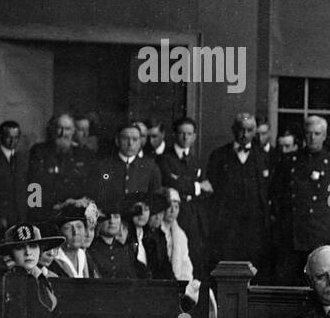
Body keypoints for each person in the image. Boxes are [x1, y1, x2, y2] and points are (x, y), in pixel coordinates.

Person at [269, 115, 330, 285]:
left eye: (317, 133)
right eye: (309, 133)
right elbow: (276, 197)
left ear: (325, 136)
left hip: (319, 237)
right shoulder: (289, 162)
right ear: (303, 135)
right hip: (291, 239)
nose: (312, 138)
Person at [206, 112, 270, 276]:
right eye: (241, 130)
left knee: (255, 270)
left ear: (255, 131)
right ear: (234, 130)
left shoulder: (265, 157)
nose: (245, 134)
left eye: (249, 130)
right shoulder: (219, 156)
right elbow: (211, 192)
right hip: (227, 226)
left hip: (256, 227)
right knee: (227, 270)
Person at [156, 116, 211, 277]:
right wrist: (196, 186)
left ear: (194, 136)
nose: (185, 137)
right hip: (174, 216)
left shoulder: (197, 161)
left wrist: (182, 183)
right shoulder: (165, 158)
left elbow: (208, 189)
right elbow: (170, 183)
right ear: (175, 135)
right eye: (181, 133)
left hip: (194, 217)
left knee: (193, 261)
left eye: (189, 134)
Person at [91, 123, 162, 215]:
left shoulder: (150, 167)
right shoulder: (103, 166)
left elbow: (156, 198)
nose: (130, 143)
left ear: (140, 142)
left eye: (135, 139)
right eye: (125, 138)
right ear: (117, 140)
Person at [27, 112, 89, 213]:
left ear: (73, 131)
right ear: (53, 130)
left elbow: (89, 186)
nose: (63, 133)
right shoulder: (39, 151)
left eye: (67, 129)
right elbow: (34, 185)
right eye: (59, 128)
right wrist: (37, 212)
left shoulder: (83, 154)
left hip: (75, 214)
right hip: (47, 212)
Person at [0, 120, 27, 242]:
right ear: (0, 137)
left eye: (16, 137)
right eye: (9, 137)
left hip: (19, 214)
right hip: (0, 216)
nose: (13, 141)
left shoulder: (21, 158)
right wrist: (1, 216)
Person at [49, 200, 93, 279]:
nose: (75, 232)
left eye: (79, 227)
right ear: (60, 233)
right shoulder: (52, 261)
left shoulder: (83, 255)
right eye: (68, 228)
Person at [88, 208, 136, 279]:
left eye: (116, 217)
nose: (112, 221)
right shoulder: (90, 250)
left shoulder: (125, 250)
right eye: (107, 217)